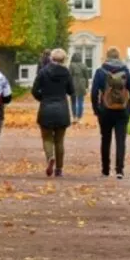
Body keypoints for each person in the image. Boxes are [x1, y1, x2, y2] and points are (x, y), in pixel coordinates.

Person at [91, 46, 130, 179]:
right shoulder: (125, 72)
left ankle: (105, 169)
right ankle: (119, 170)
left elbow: (94, 92)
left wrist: (96, 109)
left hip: (105, 110)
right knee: (120, 140)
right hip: (122, 111)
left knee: (105, 139)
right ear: (118, 57)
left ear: (107, 57)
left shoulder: (100, 72)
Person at [32, 48, 74, 177]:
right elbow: (71, 91)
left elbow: (34, 90)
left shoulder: (43, 72)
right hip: (61, 108)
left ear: (51, 58)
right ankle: (59, 169)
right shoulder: (66, 73)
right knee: (59, 141)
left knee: (47, 138)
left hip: (46, 108)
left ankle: (50, 157)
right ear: (64, 59)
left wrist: (42, 98)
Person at [69, 53, 91, 124]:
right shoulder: (84, 65)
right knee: (80, 101)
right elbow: (87, 77)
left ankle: (74, 117)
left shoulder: (71, 65)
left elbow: (69, 76)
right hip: (82, 85)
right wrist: (87, 86)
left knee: (73, 102)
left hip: (73, 84)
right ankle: (79, 117)